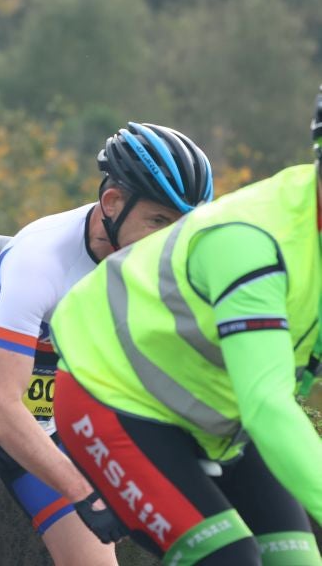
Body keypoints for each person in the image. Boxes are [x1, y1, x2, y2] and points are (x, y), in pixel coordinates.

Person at [0, 122, 214, 565]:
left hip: (55, 427)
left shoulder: (163, 264)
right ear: (113, 202)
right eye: (158, 220)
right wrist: (87, 491)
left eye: (181, 227)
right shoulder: (41, 260)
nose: (169, 242)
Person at [49, 91, 322, 565]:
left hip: (215, 411)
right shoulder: (252, 241)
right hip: (112, 395)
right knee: (229, 559)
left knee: (298, 560)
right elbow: (267, 404)